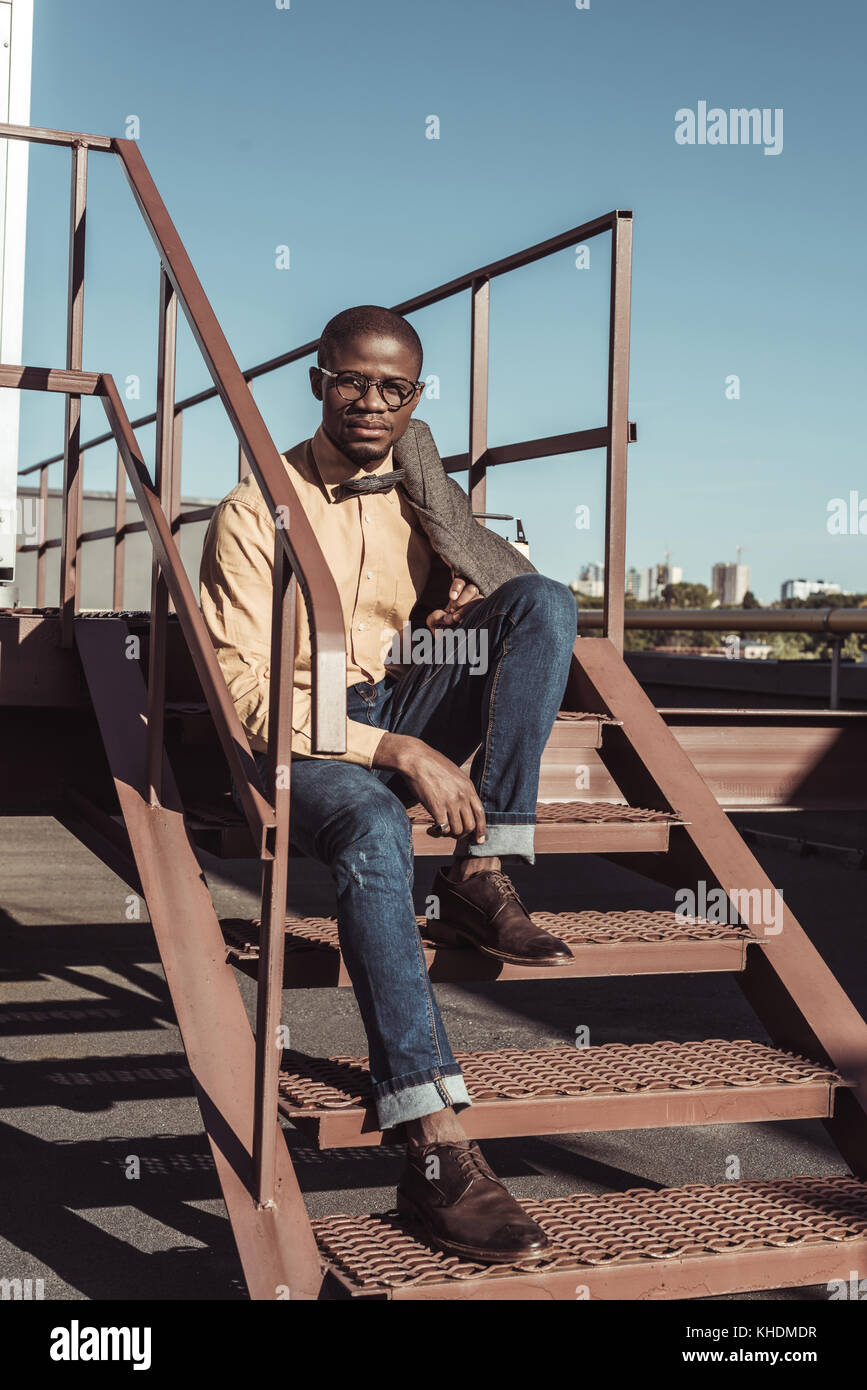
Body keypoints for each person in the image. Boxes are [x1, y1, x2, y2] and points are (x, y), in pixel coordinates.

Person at [200, 305, 579, 1264]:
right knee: (372, 822)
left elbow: (502, 587)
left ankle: (482, 869)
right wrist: (400, 754)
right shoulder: (257, 509)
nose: (371, 404)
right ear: (319, 379)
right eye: (351, 381)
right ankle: (432, 1142)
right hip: (306, 740)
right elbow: (243, 693)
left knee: (541, 601)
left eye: (394, 389)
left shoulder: (417, 479)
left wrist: (462, 591)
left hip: (395, 691)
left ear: (416, 397)